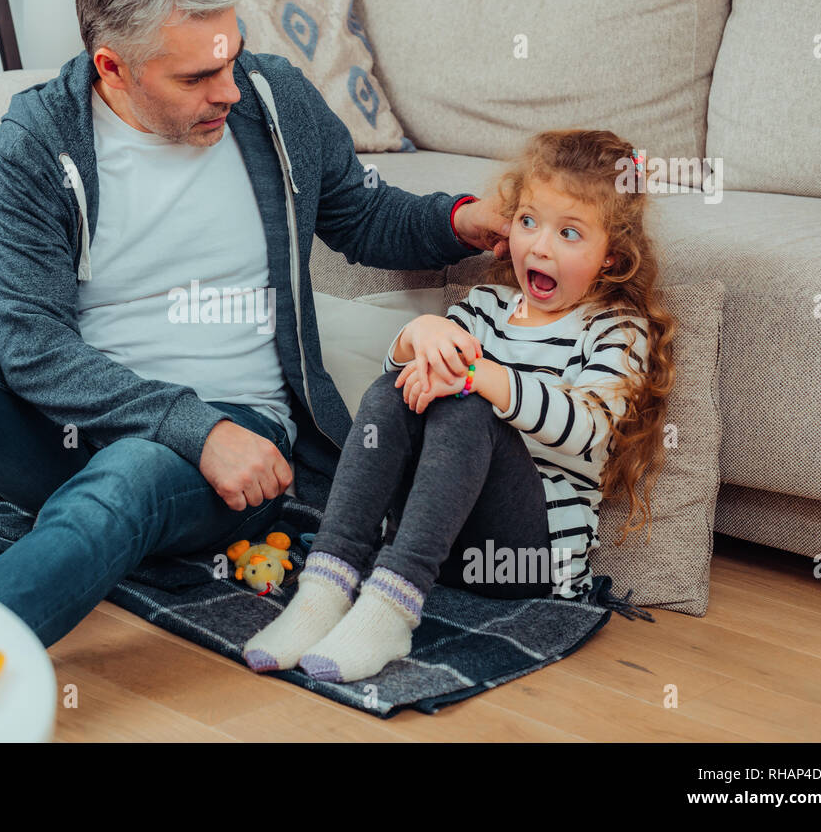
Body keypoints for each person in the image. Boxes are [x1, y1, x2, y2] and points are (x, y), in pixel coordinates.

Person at [0, 0, 510, 648]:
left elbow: (361, 213)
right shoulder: (38, 143)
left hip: (238, 442)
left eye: (230, 58)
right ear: (113, 67)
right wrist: (188, 426)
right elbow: (35, 350)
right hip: (75, 429)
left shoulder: (277, 102)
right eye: (197, 78)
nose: (229, 90)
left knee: (132, 473)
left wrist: (464, 219)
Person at [243, 129, 676, 682]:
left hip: (524, 557)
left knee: (467, 402)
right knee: (400, 386)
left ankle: (391, 611)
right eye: (528, 222)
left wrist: (487, 378)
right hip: (435, 536)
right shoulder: (488, 304)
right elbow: (407, 391)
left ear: (610, 257)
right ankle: (326, 587)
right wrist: (416, 337)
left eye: (569, 233)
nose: (540, 247)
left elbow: (588, 427)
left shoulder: (615, 330)